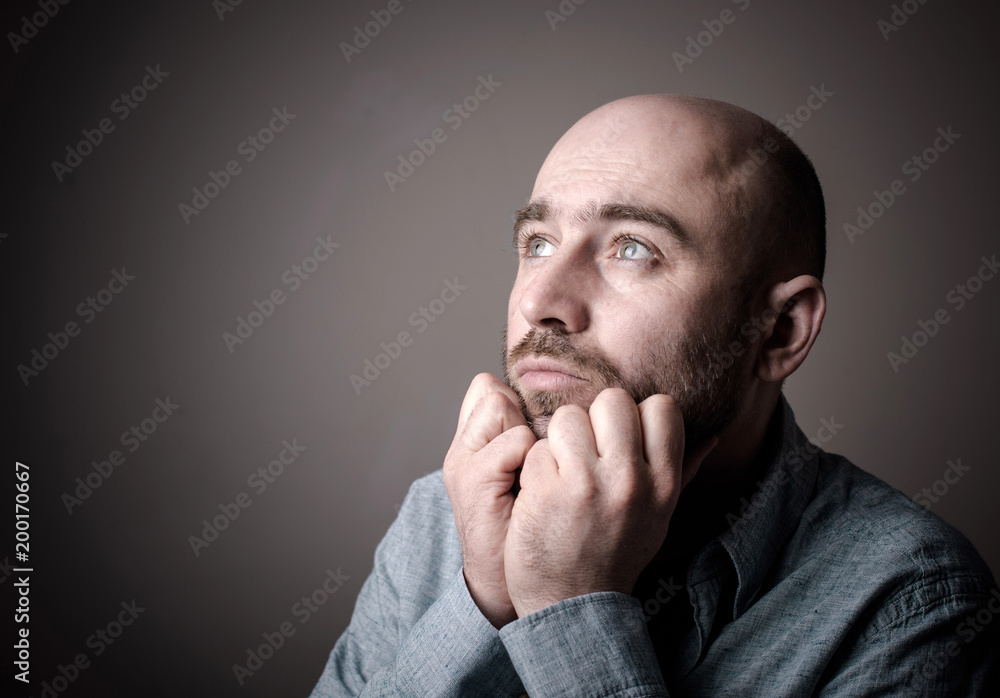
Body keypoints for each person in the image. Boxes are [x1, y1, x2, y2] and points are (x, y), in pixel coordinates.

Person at [309, 94, 999, 696]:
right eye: (539, 242)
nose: (541, 302)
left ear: (779, 332)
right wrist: (484, 601)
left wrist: (571, 609)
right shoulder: (441, 520)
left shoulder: (911, 599)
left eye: (633, 249)